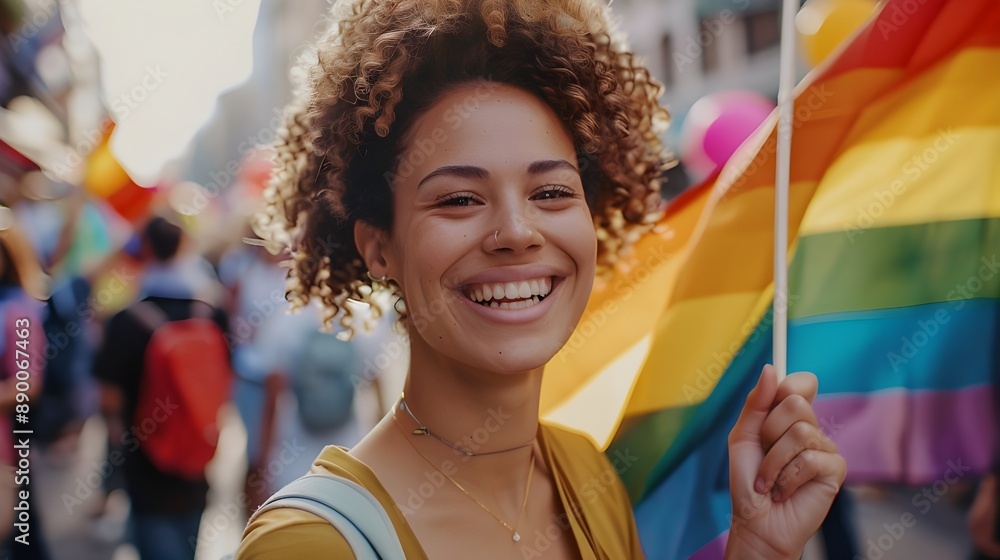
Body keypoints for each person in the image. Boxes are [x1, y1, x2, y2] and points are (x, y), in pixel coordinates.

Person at [236, 1, 847, 558]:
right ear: (378, 248)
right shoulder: (308, 547)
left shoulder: (591, 477)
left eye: (552, 191)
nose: (517, 231)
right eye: (458, 200)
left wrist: (760, 547)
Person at [94, 215, 230, 560]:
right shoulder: (212, 315)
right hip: (197, 461)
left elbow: (110, 400)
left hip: (145, 470)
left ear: (146, 250)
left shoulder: (126, 321)